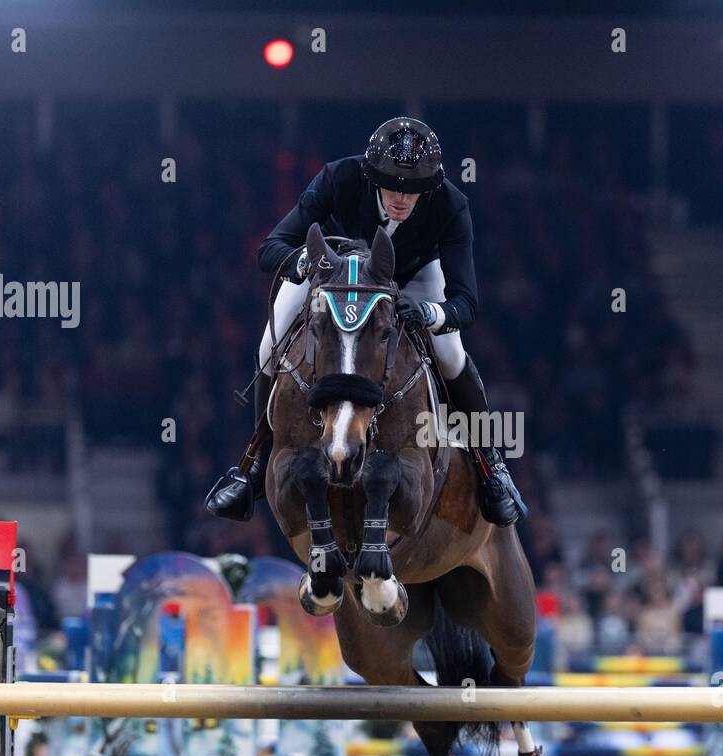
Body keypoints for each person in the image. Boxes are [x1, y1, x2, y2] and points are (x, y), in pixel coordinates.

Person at [206, 117, 527, 526]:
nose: (401, 198)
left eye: (413, 191)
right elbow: (270, 249)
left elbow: (467, 301)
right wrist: (309, 261)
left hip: (410, 277)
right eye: (393, 186)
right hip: (333, 276)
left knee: (450, 354)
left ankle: (490, 465)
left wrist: (430, 313)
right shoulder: (338, 178)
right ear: (373, 177)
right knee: (270, 346)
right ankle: (254, 462)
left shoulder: (450, 204)